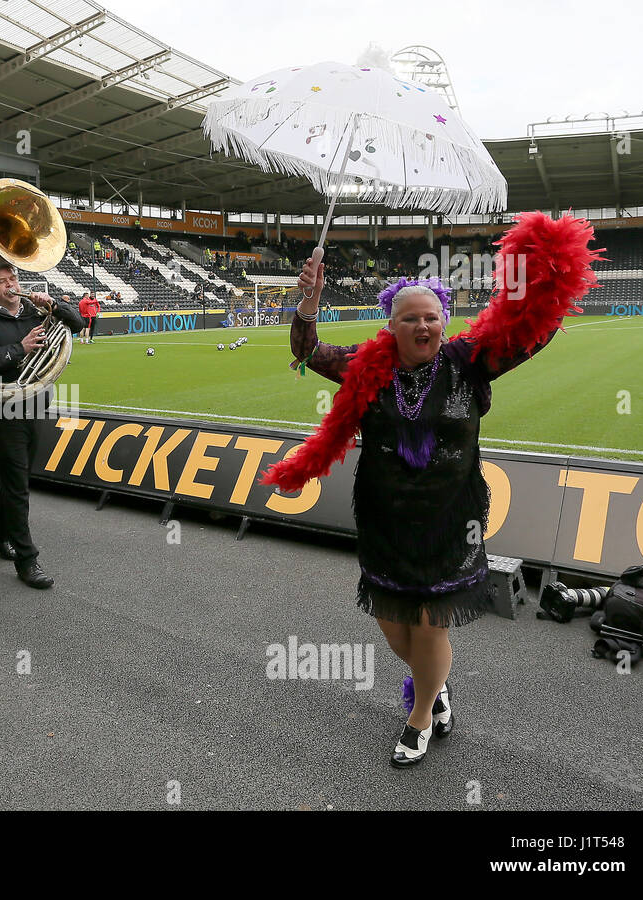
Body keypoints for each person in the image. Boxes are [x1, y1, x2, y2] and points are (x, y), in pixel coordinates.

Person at [266, 212, 600, 768]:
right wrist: (308, 301)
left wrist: (548, 269)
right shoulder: (361, 365)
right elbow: (306, 350)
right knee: (397, 627)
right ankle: (433, 686)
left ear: (444, 322)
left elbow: (533, 331)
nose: (424, 327)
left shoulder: (470, 363)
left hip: (452, 518)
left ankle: (420, 717)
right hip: (384, 517)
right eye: (411, 319)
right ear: (390, 325)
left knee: (429, 624)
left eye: (432, 318)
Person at [0, 262, 83, 589]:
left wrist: (54, 305)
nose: (10, 285)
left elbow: (78, 324)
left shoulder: (34, 311)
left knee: (20, 476)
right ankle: (27, 560)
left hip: (36, 404)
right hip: (2, 409)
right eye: (2, 282)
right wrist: (20, 349)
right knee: (18, 483)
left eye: (13, 278)